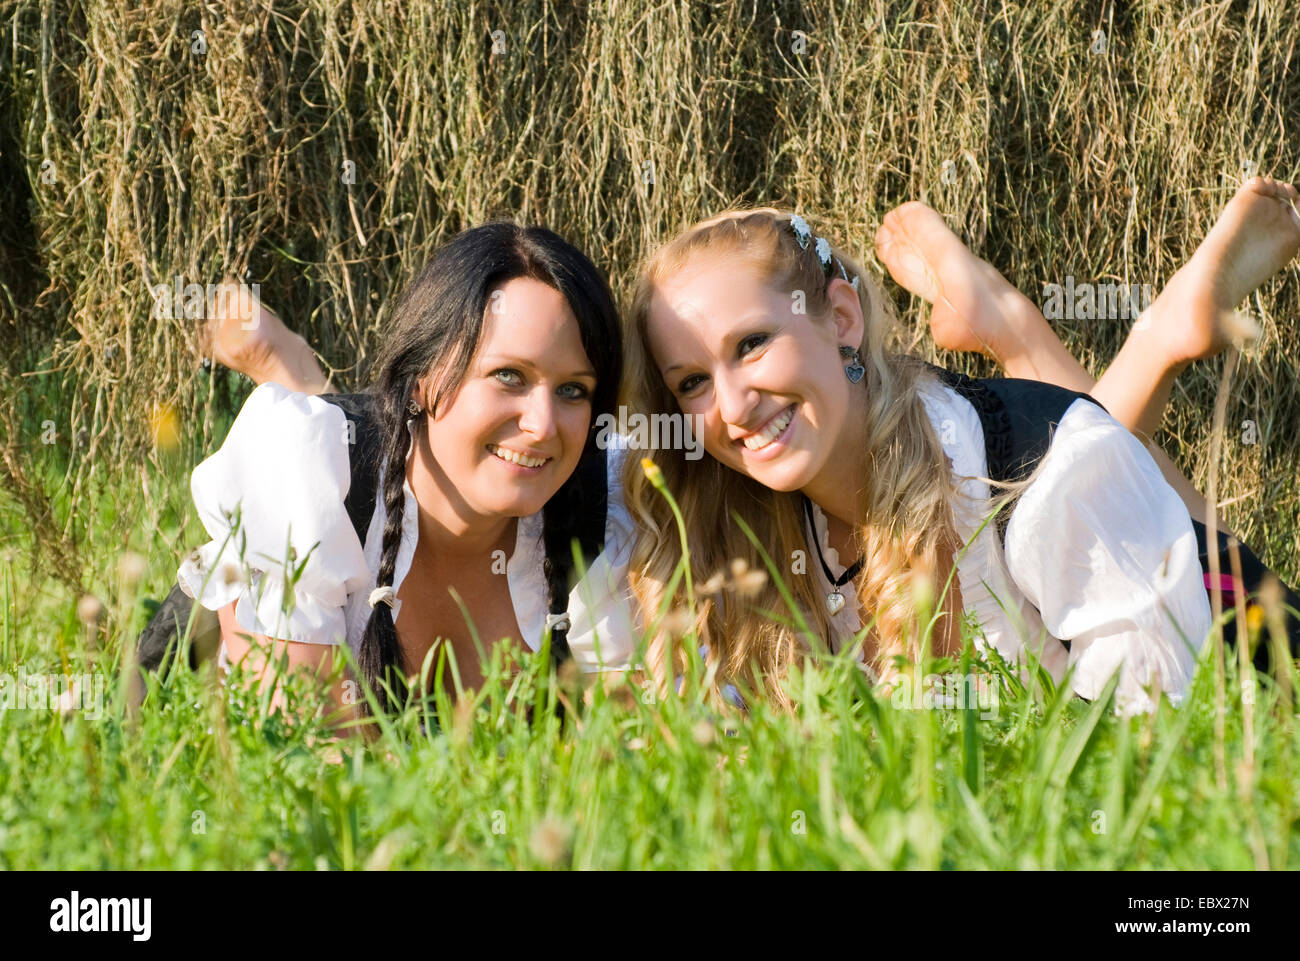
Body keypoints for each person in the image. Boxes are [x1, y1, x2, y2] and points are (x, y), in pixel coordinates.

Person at [622, 177, 1300, 716]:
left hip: (1249, 657)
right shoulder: (739, 512)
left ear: (842, 318)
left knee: (1068, 459)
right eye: (691, 382)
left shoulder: (1044, 474)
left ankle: (1132, 335)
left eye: (752, 344)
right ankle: (1048, 330)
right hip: (1093, 493)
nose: (733, 406)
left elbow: (1150, 732)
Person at [163, 222, 640, 724]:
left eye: (573, 390)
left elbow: (629, 747)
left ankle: (299, 376)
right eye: (509, 376)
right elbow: (302, 757)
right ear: (418, 377)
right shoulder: (302, 484)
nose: (543, 428)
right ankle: (297, 379)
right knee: (333, 476)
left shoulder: (606, 509)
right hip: (318, 512)